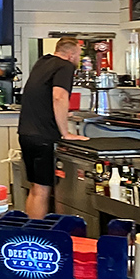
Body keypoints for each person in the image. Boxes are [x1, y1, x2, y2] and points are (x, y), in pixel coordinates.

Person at [18, 37, 88, 219]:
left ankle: (31, 228)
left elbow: (41, 95)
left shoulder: (42, 62)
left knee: (35, 188)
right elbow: (59, 97)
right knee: (42, 190)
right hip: (44, 137)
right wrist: (66, 133)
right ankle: (37, 232)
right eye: (78, 55)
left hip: (26, 133)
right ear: (71, 54)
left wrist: (64, 114)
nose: (78, 59)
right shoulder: (65, 66)